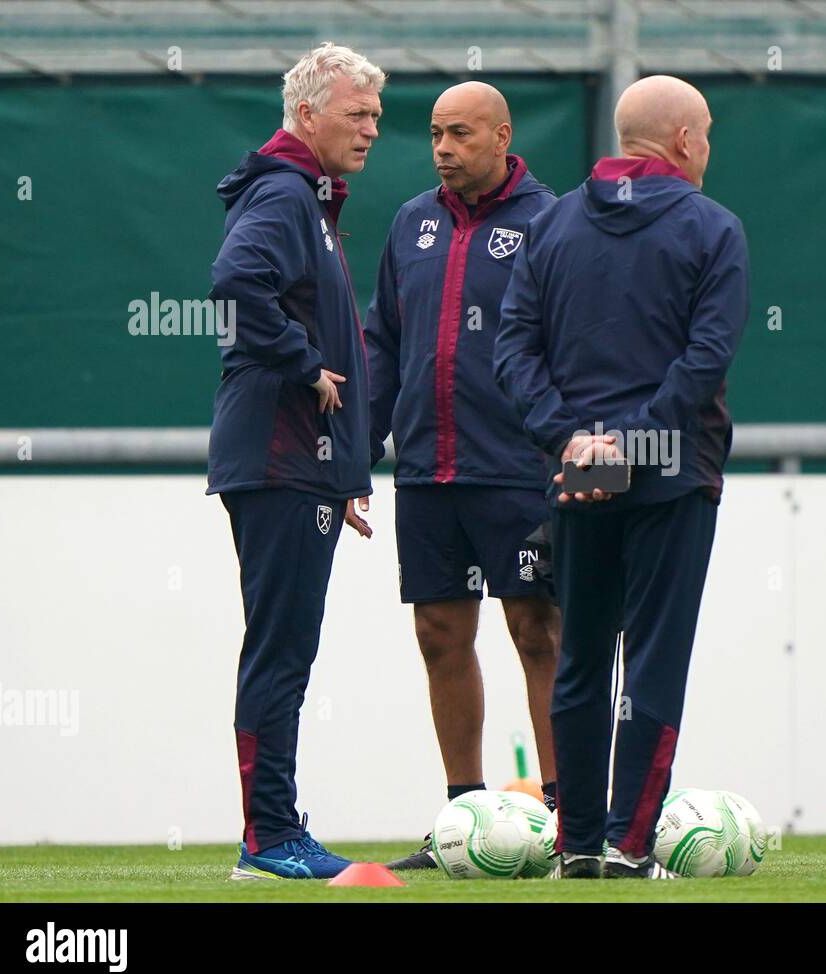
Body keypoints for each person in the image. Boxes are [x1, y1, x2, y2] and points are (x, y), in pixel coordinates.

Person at [494, 74, 750, 879]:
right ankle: (630, 846)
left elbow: (513, 352)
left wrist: (577, 442)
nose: (707, 146)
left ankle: (575, 848)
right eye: (705, 132)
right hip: (674, 478)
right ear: (682, 140)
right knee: (654, 664)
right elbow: (704, 360)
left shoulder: (551, 222)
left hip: (575, 478)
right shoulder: (714, 228)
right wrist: (632, 446)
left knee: (580, 664)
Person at [357, 82, 561, 871]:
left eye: (461, 134)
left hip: (519, 467)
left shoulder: (551, 221)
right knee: (440, 634)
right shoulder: (413, 222)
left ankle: (564, 812)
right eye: (437, 134)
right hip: (428, 467)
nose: (443, 148)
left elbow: (575, 347)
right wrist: (358, 447)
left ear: (504, 136)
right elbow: (381, 339)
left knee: (537, 632)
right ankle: (462, 820)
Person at [206, 42, 385, 880]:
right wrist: (303, 363)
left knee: (284, 650)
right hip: (276, 462)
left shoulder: (303, 199)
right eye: (358, 113)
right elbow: (236, 286)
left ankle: (272, 830)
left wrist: (341, 469)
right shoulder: (283, 195)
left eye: (378, 117)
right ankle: (270, 837)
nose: (372, 129)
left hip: (299, 466)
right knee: (280, 651)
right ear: (307, 114)